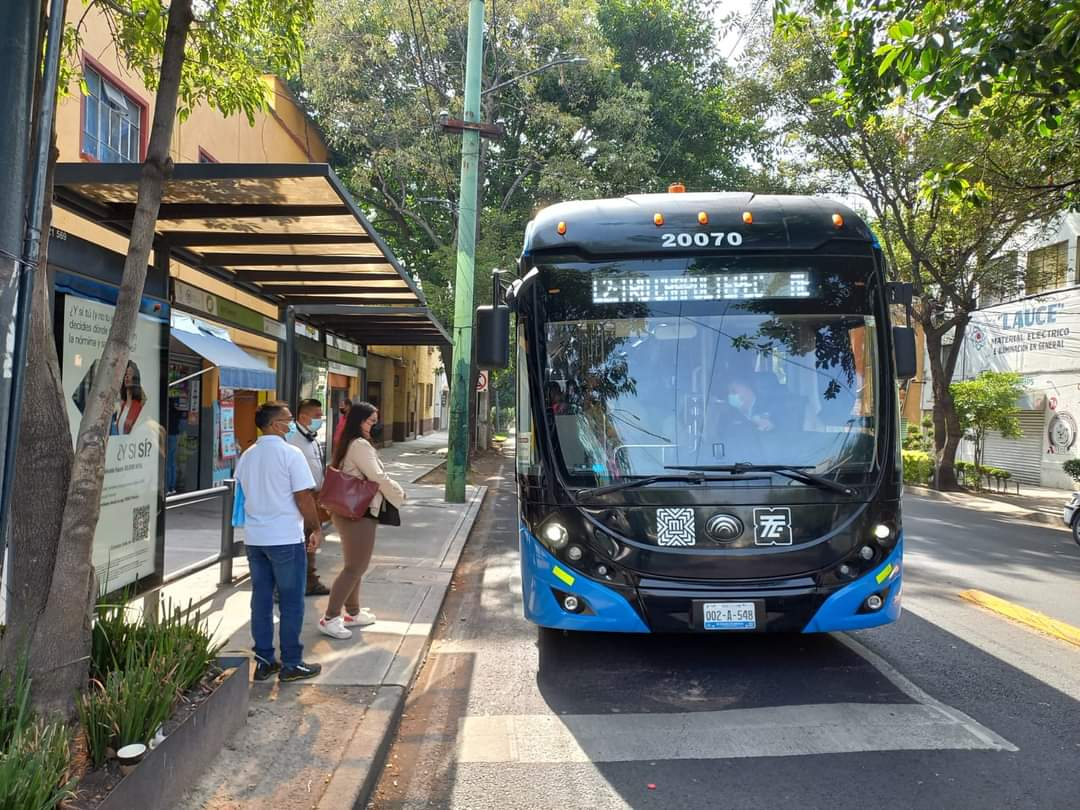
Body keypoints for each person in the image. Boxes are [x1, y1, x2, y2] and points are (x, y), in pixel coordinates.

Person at [234, 401, 323, 682]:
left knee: (260, 599)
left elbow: (244, 494)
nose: (292, 423)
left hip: (256, 539)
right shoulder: (291, 454)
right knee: (291, 601)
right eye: (288, 419)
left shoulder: (248, 455)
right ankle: (292, 663)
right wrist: (315, 528)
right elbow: (303, 497)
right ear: (275, 425)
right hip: (285, 537)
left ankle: (264, 660)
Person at [319, 401, 406, 640]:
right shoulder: (359, 444)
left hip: (353, 512)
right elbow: (377, 476)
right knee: (355, 567)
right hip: (358, 513)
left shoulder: (353, 442)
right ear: (359, 421)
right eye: (371, 422)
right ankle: (330, 617)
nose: (375, 426)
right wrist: (398, 493)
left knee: (355, 565)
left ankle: (353, 613)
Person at [286, 398, 331, 596]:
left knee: (311, 540)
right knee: (301, 540)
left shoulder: (311, 437)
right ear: (303, 417)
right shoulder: (291, 437)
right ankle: (292, 584)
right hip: (300, 497)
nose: (320, 420)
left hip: (315, 495)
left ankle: (310, 580)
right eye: (317, 416)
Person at [111, 361, 146, 435]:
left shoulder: (138, 406)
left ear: (135, 378)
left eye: (130, 374)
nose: (127, 376)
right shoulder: (122, 405)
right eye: (125, 374)